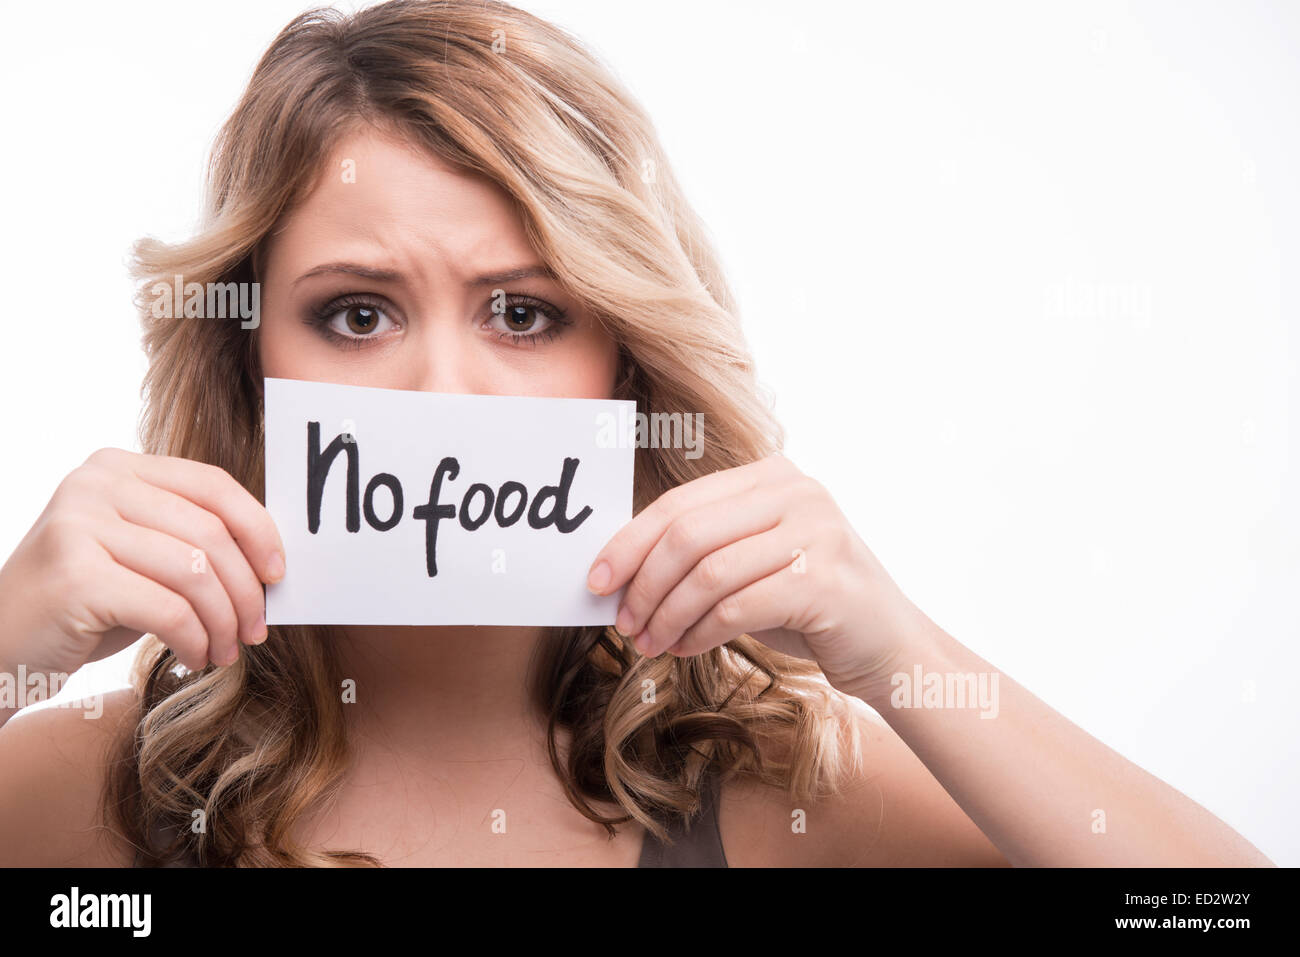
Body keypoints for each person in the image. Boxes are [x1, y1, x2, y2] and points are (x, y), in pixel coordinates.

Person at [0, 0, 1273, 867]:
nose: (444, 390)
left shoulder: (772, 788)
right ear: (250, 361)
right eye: (354, 312)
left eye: (523, 311)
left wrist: (897, 652)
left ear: (623, 360)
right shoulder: (99, 794)